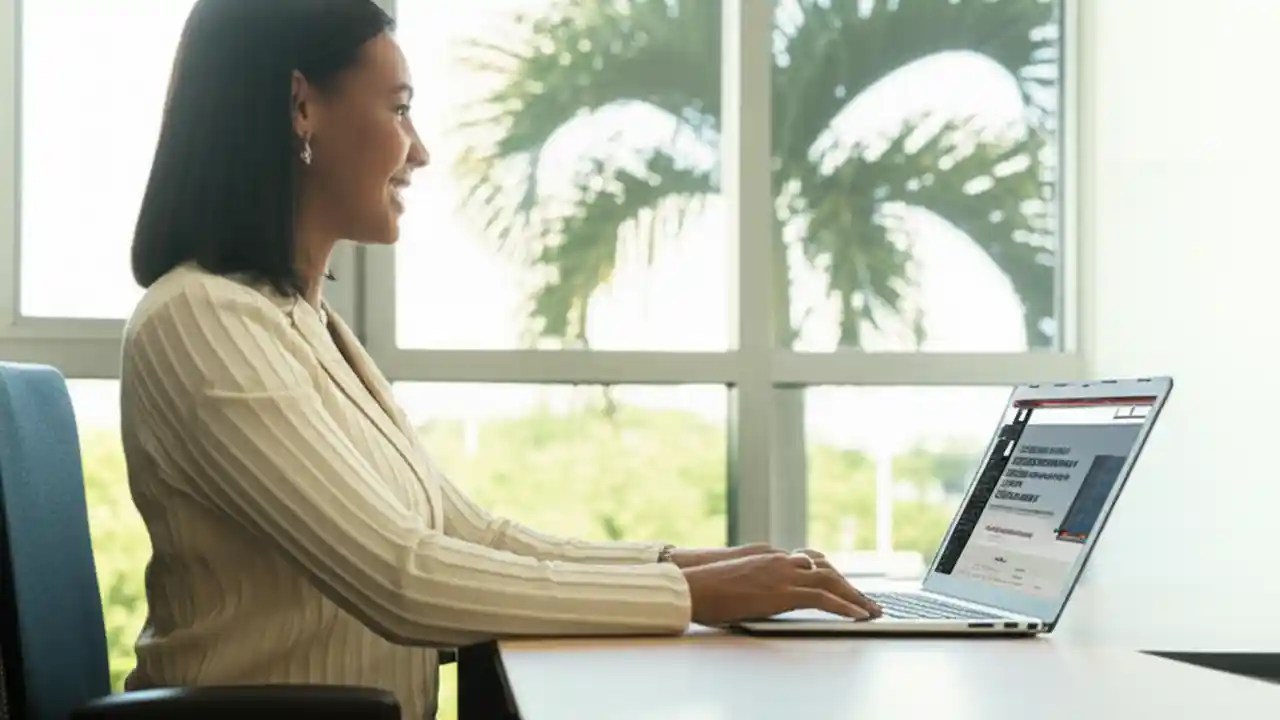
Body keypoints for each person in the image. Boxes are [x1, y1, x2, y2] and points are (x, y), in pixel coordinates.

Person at [119, 1, 880, 718]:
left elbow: (470, 538)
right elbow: (401, 578)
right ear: (300, 107)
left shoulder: (304, 326)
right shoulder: (204, 320)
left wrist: (686, 565)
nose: (419, 150)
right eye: (399, 107)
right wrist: (690, 598)